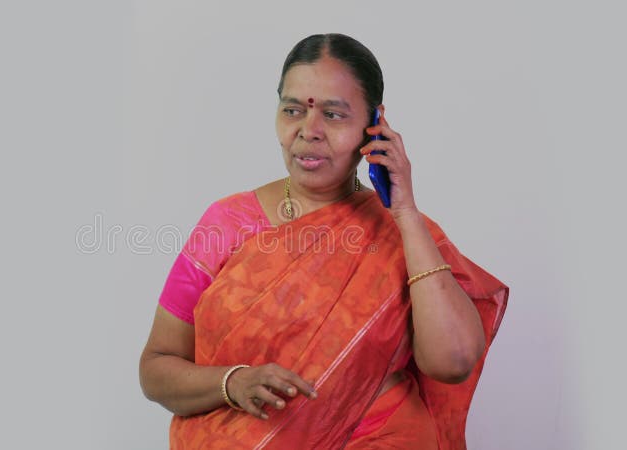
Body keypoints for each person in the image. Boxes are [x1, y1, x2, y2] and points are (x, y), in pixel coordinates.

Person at [139, 33, 508, 449]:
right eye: (292, 110)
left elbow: (453, 361)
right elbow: (155, 368)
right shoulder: (226, 223)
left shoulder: (405, 233)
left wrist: (404, 211)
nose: (308, 131)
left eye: (333, 115)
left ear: (375, 123)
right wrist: (232, 381)